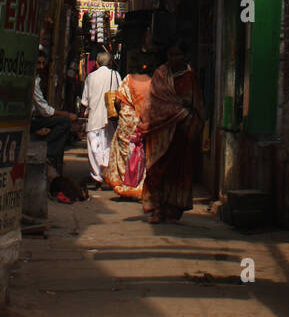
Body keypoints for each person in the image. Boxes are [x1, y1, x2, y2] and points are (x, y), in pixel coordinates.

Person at [139, 39, 204, 223]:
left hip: (181, 133)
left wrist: (188, 120)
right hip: (160, 132)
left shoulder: (190, 78)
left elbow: (197, 106)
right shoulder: (161, 75)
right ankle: (156, 207)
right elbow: (154, 102)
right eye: (171, 55)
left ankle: (173, 208)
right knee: (157, 170)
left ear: (185, 57)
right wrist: (176, 112)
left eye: (178, 55)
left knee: (178, 172)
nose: (174, 58)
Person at [105, 53, 152, 199]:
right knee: (141, 154)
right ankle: (139, 187)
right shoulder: (152, 83)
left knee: (123, 153)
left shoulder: (128, 80)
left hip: (126, 122)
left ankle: (124, 186)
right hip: (143, 122)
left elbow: (118, 101)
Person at [30, 49, 78, 172]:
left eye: (42, 63)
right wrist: (66, 114)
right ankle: (48, 153)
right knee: (64, 122)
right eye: (38, 63)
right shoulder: (33, 81)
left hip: (36, 117)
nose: (41, 66)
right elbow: (44, 109)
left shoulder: (36, 79)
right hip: (32, 120)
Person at [80, 50, 122, 188]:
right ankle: (106, 175)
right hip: (111, 118)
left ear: (97, 63)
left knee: (95, 148)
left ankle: (97, 176)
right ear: (110, 63)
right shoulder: (116, 75)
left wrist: (80, 117)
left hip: (94, 119)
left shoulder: (90, 77)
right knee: (108, 146)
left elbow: (84, 101)